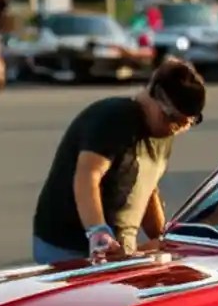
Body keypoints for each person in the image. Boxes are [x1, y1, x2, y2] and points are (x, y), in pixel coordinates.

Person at [31, 58, 207, 265]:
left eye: (186, 124)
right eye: (172, 120)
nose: (176, 129)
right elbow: (88, 175)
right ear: (155, 100)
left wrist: (161, 237)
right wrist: (98, 233)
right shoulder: (114, 119)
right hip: (69, 245)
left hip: (119, 251)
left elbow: (146, 189)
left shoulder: (163, 134)